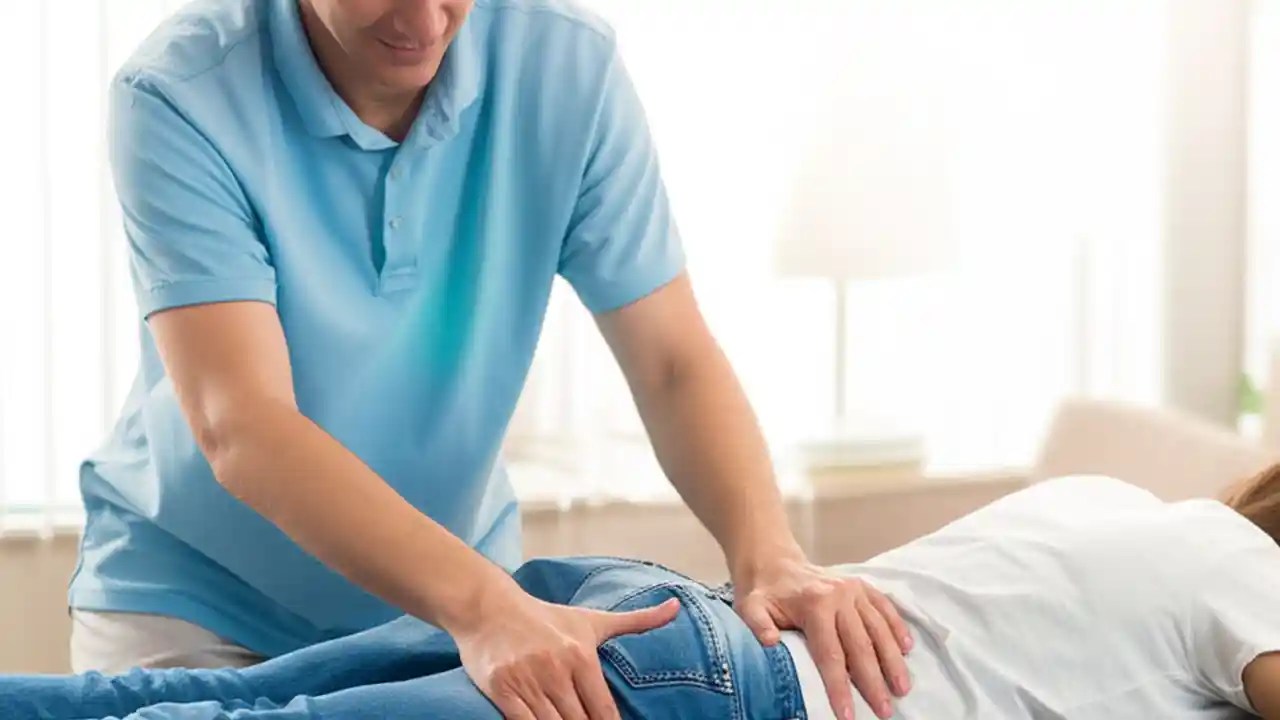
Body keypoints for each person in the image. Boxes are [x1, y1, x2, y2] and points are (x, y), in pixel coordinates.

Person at [76, 0, 912, 719]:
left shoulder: (563, 66)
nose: (423, 20)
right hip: (198, 600)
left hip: (458, 593)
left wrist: (770, 558)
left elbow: (670, 361)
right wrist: (484, 607)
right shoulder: (180, 93)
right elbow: (244, 426)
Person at [23, 470, 1280, 720]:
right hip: (720, 694)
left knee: (179, 698)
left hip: (641, 607)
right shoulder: (1249, 583)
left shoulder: (1116, 498)